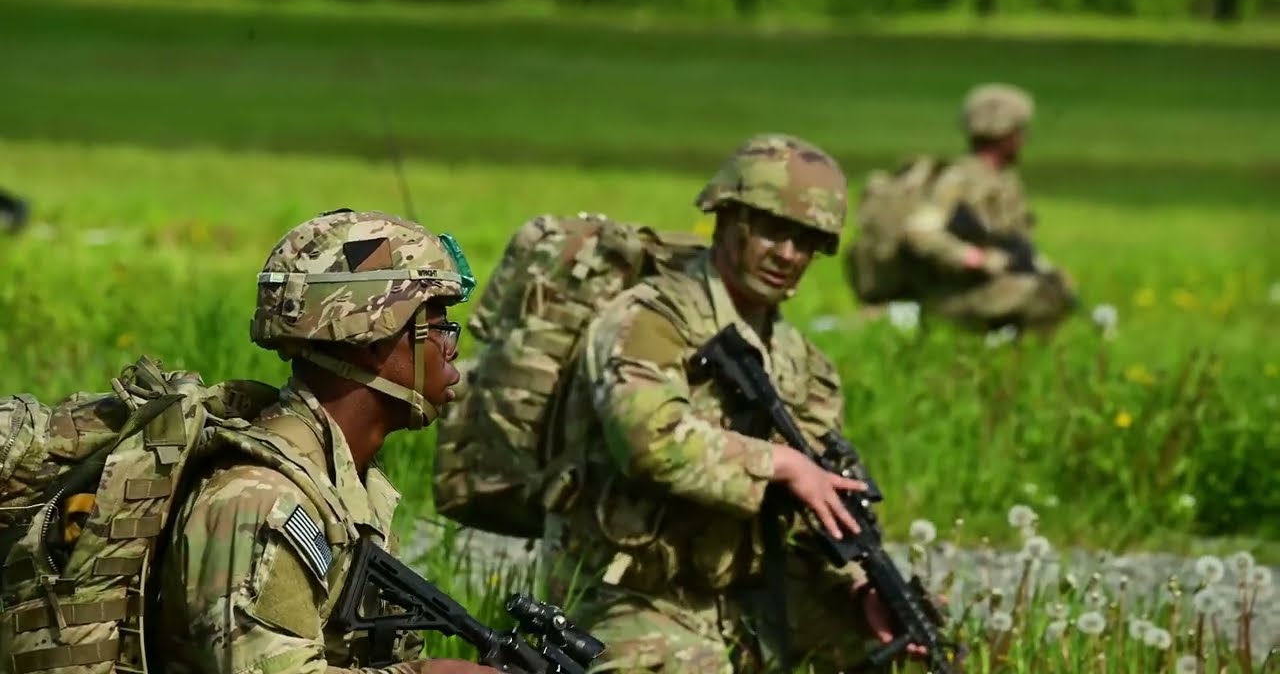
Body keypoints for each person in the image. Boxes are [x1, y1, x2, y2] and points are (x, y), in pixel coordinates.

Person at [537, 135, 932, 673]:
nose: (788, 254)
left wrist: (862, 587)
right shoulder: (649, 319)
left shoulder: (803, 365)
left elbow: (817, 507)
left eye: (806, 241)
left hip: (741, 595)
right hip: (628, 594)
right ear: (726, 218)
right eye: (771, 230)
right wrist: (779, 464)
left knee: (895, 648)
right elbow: (648, 441)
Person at [147, 209, 500, 674]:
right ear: (373, 342)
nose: (452, 350)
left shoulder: (341, 481)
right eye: (439, 328)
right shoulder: (260, 499)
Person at [851, 83, 1077, 335]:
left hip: (979, 290)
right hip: (948, 296)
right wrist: (976, 258)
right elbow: (921, 234)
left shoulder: (1003, 183)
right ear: (1005, 134)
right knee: (1038, 295)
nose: (1024, 138)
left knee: (1055, 286)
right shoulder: (957, 180)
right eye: (1019, 130)